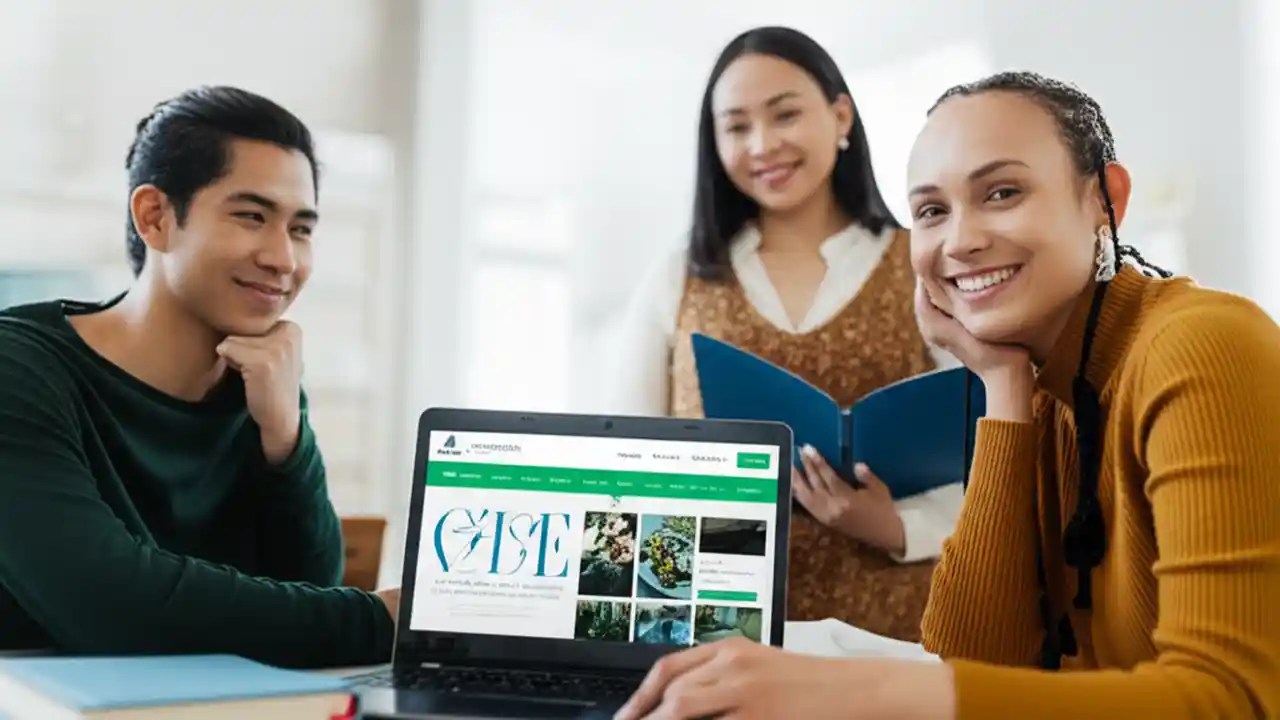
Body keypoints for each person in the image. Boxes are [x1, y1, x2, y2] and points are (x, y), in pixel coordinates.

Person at [612, 70, 1280, 720]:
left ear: (1106, 198)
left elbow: (1234, 701)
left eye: (1002, 193)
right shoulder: (1039, 385)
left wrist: (850, 695)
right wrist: (1003, 386)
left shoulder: (1203, 344)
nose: (959, 241)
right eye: (932, 210)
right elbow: (974, 656)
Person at [0, 86, 398, 668]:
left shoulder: (264, 385)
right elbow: (110, 604)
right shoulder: (20, 369)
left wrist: (286, 440)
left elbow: (305, 596)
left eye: (302, 229)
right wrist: (383, 620)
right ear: (155, 217)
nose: (284, 259)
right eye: (251, 216)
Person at [607, 26, 962, 641]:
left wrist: (893, 524)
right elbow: (622, 462)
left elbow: (996, 456)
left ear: (840, 115)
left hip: (893, 637)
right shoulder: (680, 276)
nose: (763, 144)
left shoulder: (921, 262)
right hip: (714, 635)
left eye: (785, 114)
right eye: (737, 126)